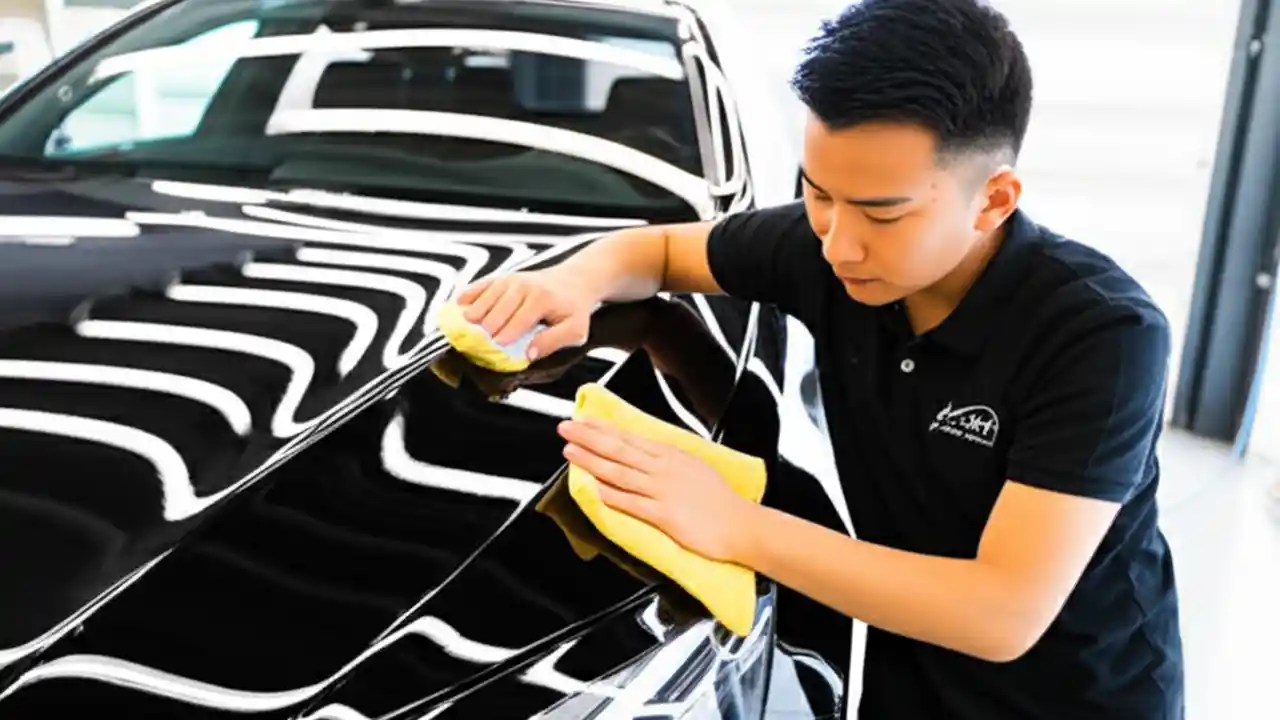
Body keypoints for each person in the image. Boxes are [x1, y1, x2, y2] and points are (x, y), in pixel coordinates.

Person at [455, 0, 1185, 716]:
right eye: (816, 192)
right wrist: (570, 281)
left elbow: (1000, 613)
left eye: (883, 212)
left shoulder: (1101, 335)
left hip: (1077, 694)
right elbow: (663, 249)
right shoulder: (828, 248)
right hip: (906, 664)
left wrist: (733, 522)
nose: (838, 242)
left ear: (993, 200)